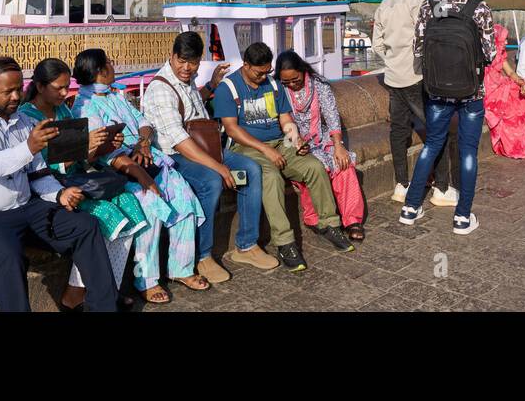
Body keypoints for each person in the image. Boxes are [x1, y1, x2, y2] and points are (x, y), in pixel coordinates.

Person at [0, 56, 117, 312]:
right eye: (7, 91)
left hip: (23, 208)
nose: (15, 97)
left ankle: (104, 308)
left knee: (85, 225)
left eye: (18, 89)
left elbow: (38, 172)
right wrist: (28, 147)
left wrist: (59, 195)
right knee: (9, 255)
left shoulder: (21, 122)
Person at [74, 48, 211, 303]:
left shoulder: (116, 95)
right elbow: (104, 155)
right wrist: (141, 175)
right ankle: (146, 280)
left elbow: (142, 122)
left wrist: (144, 142)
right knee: (150, 210)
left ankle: (180, 268)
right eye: (110, 63)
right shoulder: (85, 107)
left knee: (184, 199)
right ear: (101, 70)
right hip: (122, 171)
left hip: (148, 159)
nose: (114, 66)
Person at [18, 57, 149, 310]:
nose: (65, 93)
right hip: (52, 186)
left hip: (76, 176)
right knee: (106, 215)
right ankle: (81, 292)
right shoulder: (28, 118)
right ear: (40, 86)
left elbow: (81, 157)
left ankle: (108, 287)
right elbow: (40, 166)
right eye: (59, 88)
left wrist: (104, 145)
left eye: (68, 86)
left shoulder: (63, 111)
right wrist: (82, 147)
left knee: (130, 204)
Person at [140, 31, 274, 279]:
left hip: (204, 148)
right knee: (210, 182)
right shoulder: (161, 89)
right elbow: (179, 141)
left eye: (193, 63)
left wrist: (211, 85)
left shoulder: (187, 79)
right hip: (177, 157)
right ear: (172, 56)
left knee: (251, 171)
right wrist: (220, 167)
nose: (187, 68)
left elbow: (189, 107)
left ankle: (246, 244)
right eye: (182, 61)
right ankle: (202, 255)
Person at [215, 42, 355, 271]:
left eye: (267, 71)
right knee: (271, 177)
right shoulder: (228, 88)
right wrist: (264, 149)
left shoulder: (272, 84)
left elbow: (285, 119)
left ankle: (329, 223)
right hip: (247, 147)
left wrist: (296, 141)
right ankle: (285, 241)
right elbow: (231, 129)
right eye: (259, 72)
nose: (263, 77)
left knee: (313, 166)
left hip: (280, 142)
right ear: (246, 66)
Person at [401, 0, 495, 236]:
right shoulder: (478, 8)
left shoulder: (431, 5)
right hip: (471, 92)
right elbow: (489, 54)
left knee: (431, 145)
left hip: (437, 90)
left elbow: (418, 49)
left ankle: (410, 207)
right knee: (467, 152)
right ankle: (463, 217)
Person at [371, 0, 457, 206]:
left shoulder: (383, 4)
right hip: (416, 76)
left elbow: (377, 44)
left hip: (393, 77)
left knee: (398, 132)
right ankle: (441, 188)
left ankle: (401, 185)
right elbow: (429, 35)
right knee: (437, 129)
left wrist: (394, 58)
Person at [276, 49, 366, 242]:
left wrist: (338, 146)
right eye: (287, 82)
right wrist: (297, 142)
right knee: (314, 168)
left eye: (296, 80)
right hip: (292, 140)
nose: (292, 85)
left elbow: (331, 115)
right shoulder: (277, 90)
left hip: (321, 137)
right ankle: (315, 218)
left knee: (343, 164)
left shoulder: (319, 85)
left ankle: (352, 220)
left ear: (303, 71)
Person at [483, 22, 525, 159]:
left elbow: (511, 73)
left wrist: (521, 82)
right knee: (512, 109)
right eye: (503, 38)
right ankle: (517, 145)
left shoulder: (500, 54)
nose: (506, 41)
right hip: (490, 92)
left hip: (501, 86)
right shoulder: (485, 56)